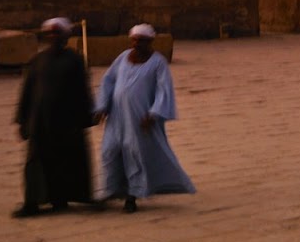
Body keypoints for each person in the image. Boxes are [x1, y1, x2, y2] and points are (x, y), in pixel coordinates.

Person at [95, 23, 195, 213]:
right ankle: (109, 190)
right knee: (109, 152)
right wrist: (102, 106)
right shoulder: (123, 58)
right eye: (134, 40)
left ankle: (132, 196)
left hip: (140, 120)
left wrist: (154, 113)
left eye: (141, 41)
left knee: (135, 155)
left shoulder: (158, 63)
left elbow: (163, 90)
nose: (136, 44)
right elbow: (108, 80)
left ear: (150, 42)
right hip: (117, 117)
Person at [13, 17, 97, 217]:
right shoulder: (38, 60)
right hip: (40, 121)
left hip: (66, 121)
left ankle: (61, 198)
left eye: (57, 34)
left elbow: (82, 91)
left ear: (65, 37)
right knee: (36, 163)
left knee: (65, 160)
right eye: (50, 34)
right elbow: (27, 91)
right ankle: (32, 202)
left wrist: (86, 117)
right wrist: (22, 120)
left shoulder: (75, 61)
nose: (53, 38)